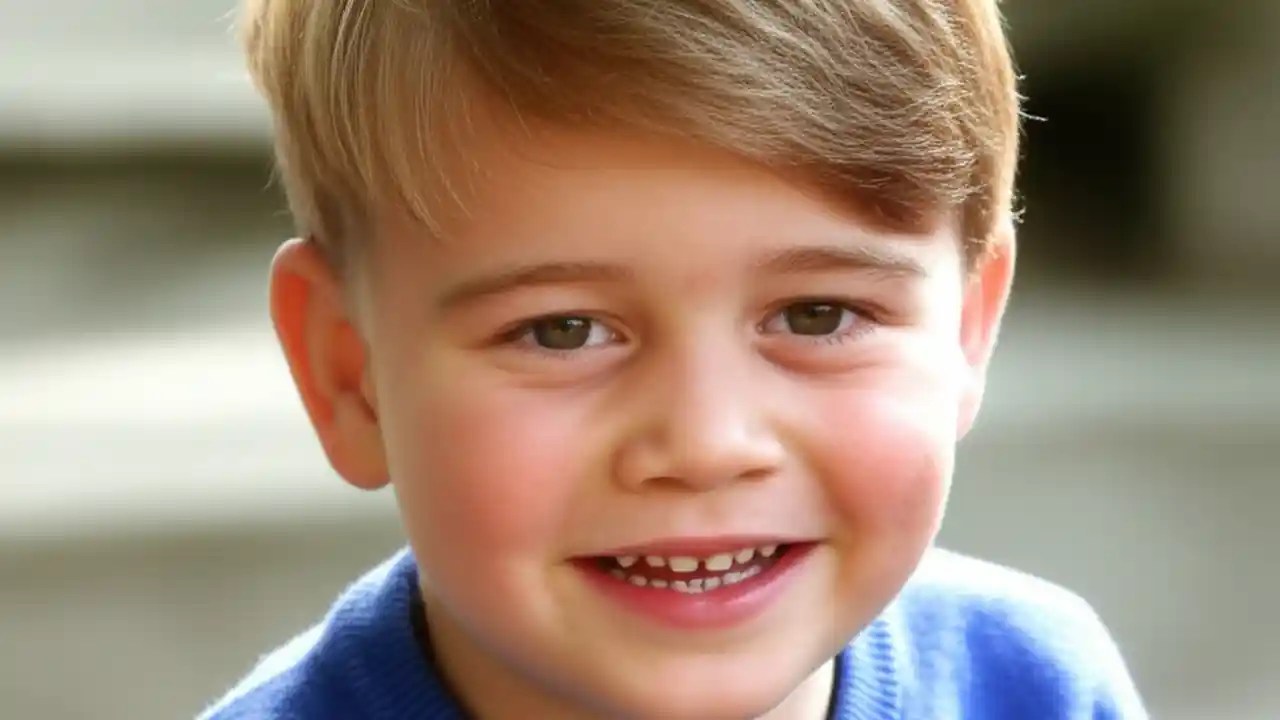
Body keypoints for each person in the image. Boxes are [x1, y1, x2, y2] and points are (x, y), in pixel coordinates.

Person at [202, 1, 1147, 718]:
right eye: (562, 330)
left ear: (967, 329)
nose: (706, 444)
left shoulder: (1038, 688)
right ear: (350, 376)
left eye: (817, 315)